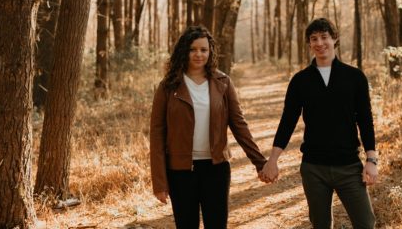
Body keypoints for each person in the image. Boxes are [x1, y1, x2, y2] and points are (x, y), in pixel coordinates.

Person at [260, 17, 378, 229]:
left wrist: (371, 160)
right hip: (314, 168)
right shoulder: (300, 80)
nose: (319, 43)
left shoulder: (354, 77)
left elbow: (365, 120)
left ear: (334, 39)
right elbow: (288, 120)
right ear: (309, 44)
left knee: (366, 223)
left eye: (324, 37)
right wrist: (273, 160)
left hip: (349, 166)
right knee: (321, 225)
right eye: (314, 39)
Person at [149, 25, 267, 229]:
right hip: (180, 172)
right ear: (184, 51)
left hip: (216, 170)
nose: (198, 54)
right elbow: (157, 134)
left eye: (203, 50)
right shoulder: (168, 86)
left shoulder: (223, 82)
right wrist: (159, 183)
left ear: (210, 51)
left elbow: (239, 125)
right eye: (193, 49)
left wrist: (260, 162)